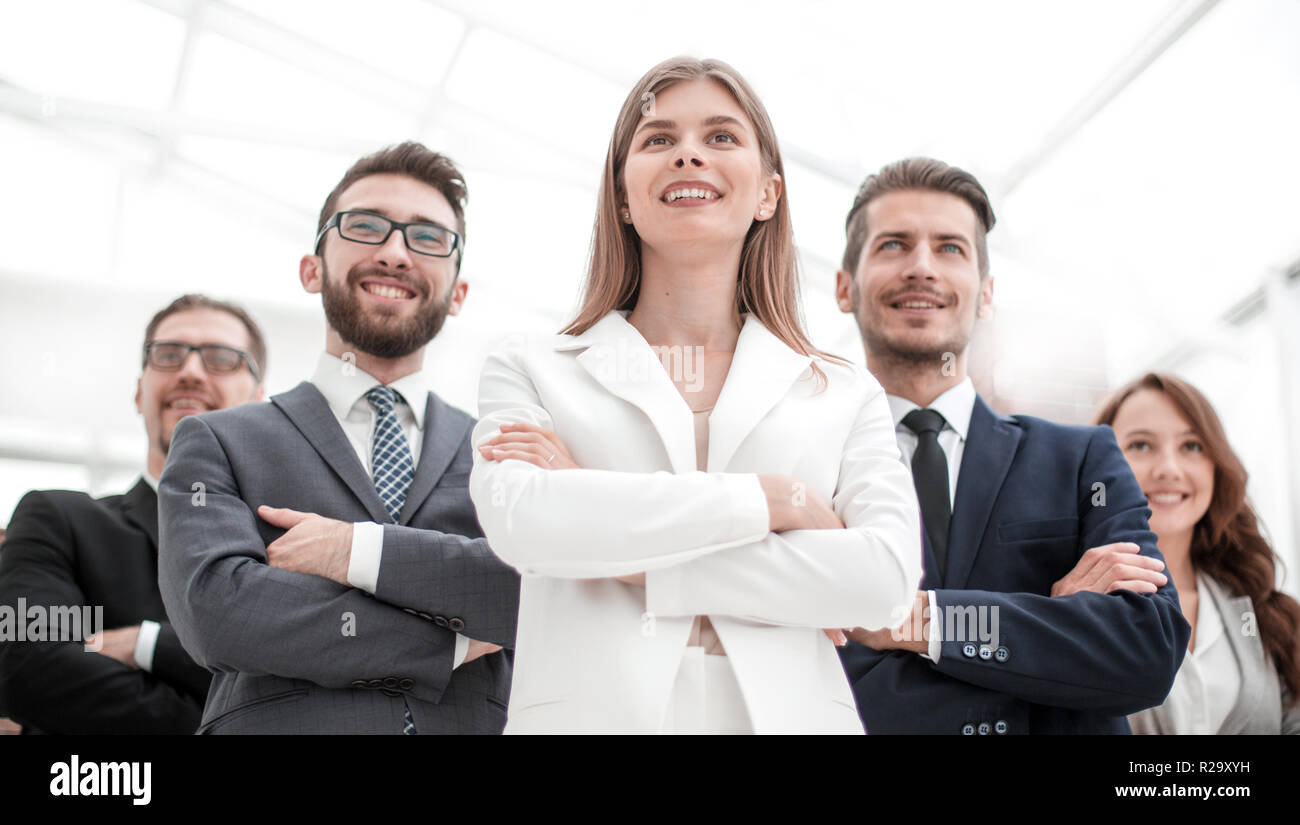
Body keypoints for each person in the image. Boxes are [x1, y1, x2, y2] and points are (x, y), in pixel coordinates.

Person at [468, 57, 922, 734]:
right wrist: (774, 501)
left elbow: (882, 583)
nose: (688, 154)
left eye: (720, 137)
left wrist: (608, 528)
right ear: (623, 195)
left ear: (768, 193)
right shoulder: (530, 365)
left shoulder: (843, 389)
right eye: (658, 139)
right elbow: (526, 523)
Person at [158, 142, 520, 734]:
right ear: (311, 269)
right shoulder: (217, 441)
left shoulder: (504, 450)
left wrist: (353, 552)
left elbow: (532, 591)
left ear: (458, 293)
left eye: (428, 237)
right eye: (366, 227)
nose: (395, 252)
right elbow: (219, 614)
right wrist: (449, 642)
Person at [835, 157, 1190, 734]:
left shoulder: (1082, 460)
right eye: (894, 245)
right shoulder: (808, 466)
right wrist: (1051, 628)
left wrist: (910, 623)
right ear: (844, 286)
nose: (922, 267)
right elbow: (807, 667)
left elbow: (1144, 653)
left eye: (950, 248)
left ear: (987, 290)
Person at [0, 294, 265, 733]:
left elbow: (320, 677)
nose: (190, 372)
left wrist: (150, 644)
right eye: (168, 355)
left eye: (221, 358)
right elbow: (25, 665)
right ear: (140, 391)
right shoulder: (60, 522)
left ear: (258, 401)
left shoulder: (290, 544)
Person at [1095, 372, 1300, 734]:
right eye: (1141, 445)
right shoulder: (1068, 600)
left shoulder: (1265, 610)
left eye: (1192, 446)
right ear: (1098, 467)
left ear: (1216, 466)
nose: (1169, 470)